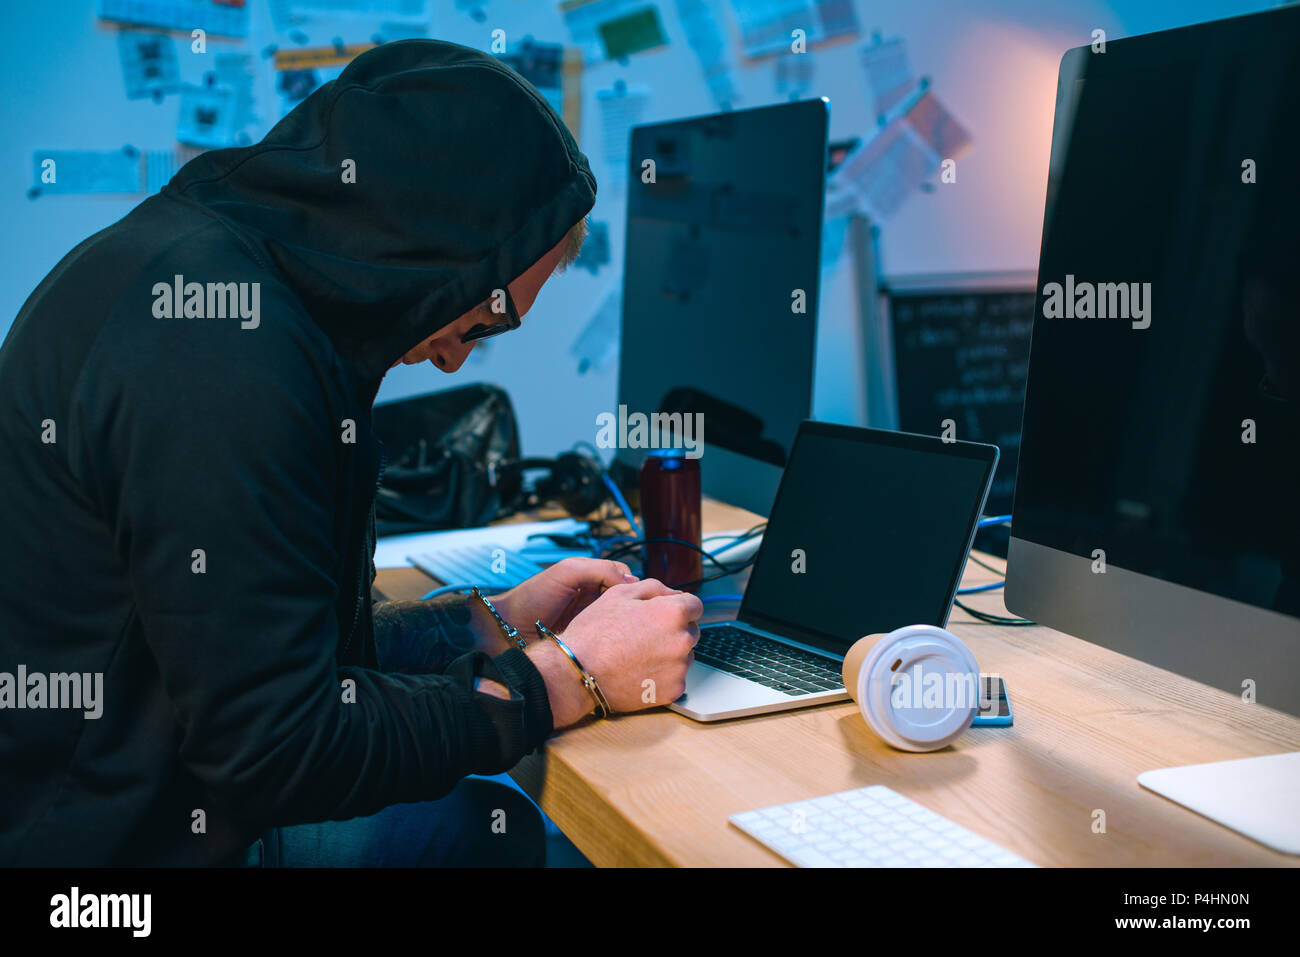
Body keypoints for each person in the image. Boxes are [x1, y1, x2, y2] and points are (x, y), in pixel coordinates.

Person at [0, 39, 701, 867]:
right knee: (513, 832)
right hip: (105, 852)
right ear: (433, 240)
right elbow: (280, 748)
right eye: (483, 318)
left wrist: (495, 622)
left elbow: (282, 649)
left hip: (158, 783)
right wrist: (567, 679)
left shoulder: (228, 276)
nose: (454, 358)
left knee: (484, 821)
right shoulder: (223, 355)